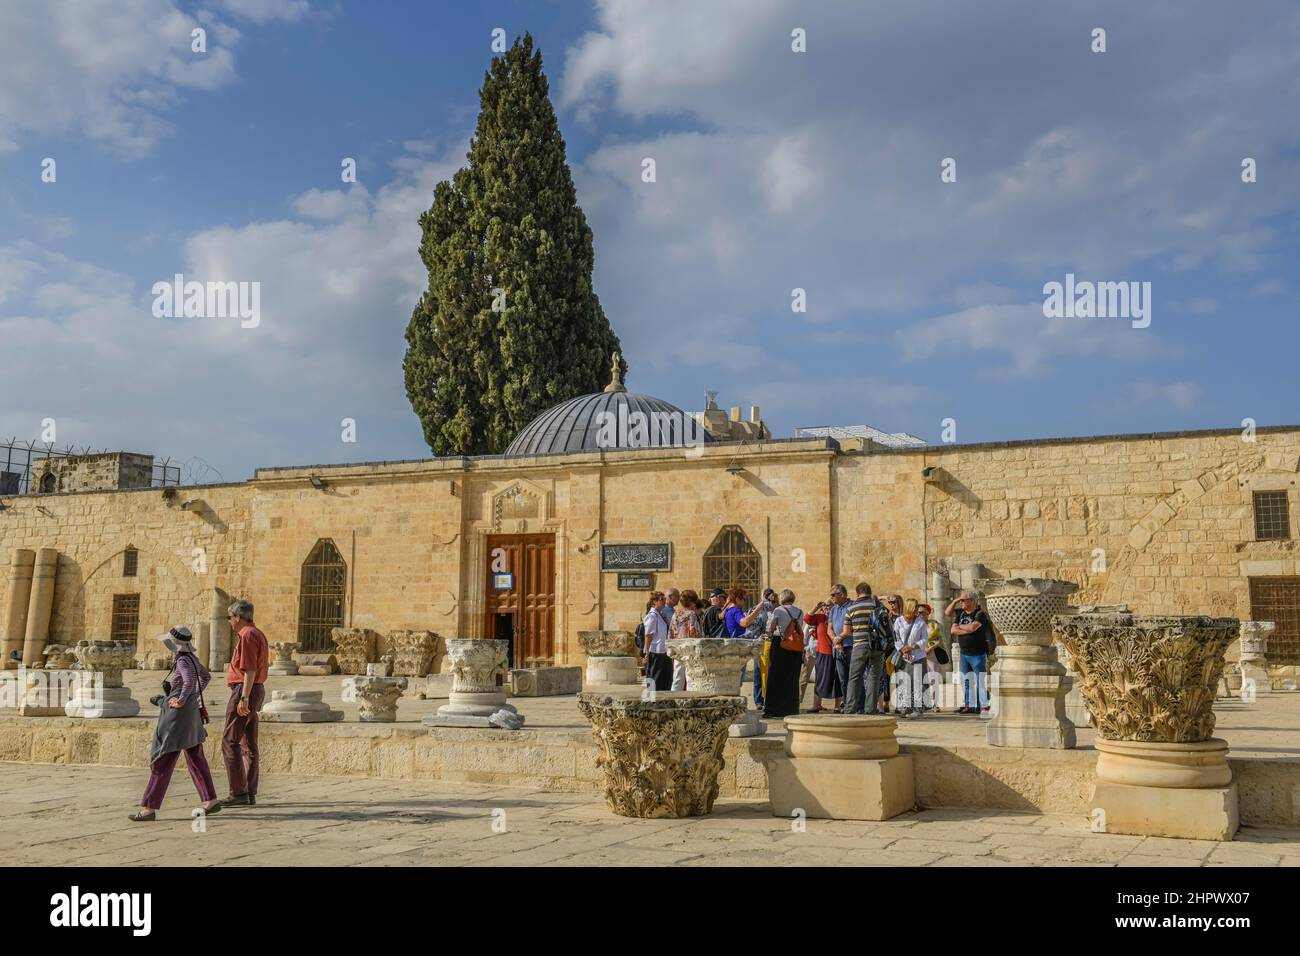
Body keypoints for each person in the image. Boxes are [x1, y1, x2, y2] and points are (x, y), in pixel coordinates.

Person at [129, 627, 221, 822]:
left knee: (164, 756)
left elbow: (188, 681)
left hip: (177, 717)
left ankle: (149, 807)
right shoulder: (193, 659)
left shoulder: (182, 660)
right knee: (195, 756)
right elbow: (206, 677)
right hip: (191, 714)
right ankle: (211, 800)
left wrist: (180, 699)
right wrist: (193, 696)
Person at [220, 599, 268, 807]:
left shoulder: (247, 635)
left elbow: (249, 670)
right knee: (248, 743)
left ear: (238, 617)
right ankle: (249, 791)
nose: (229, 622)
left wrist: (244, 698)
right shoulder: (257, 633)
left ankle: (238, 792)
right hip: (255, 689)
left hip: (245, 689)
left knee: (230, 741)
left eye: (230, 618)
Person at [843, 582, 892, 714]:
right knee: (874, 677)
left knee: (854, 677)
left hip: (859, 646)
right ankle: (870, 709)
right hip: (877, 646)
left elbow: (847, 631)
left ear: (857, 593)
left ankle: (850, 708)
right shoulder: (878, 605)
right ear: (869, 592)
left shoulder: (851, 609)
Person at [947, 590, 993, 714]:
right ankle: (969, 705)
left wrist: (961, 628)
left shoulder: (980, 614)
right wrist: (955, 601)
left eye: (963, 600)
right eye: (960, 600)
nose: (961, 602)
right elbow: (952, 627)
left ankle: (983, 705)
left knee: (980, 680)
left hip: (977, 653)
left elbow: (973, 627)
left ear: (972, 601)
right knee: (966, 680)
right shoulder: (961, 613)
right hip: (964, 653)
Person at [762, 589, 804, 720]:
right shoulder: (800, 612)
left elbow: (771, 628)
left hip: (780, 645)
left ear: (781, 598)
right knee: (792, 678)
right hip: (795, 647)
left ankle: (773, 709)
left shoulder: (778, 611)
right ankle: (791, 708)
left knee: (775, 678)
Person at [738, 588, 776, 707]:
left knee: (760, 672)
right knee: (761, 672)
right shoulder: (760, 608)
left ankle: (761, 700)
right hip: (765, 643)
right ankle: (761, 700)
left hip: (762, 643)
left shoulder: (757, 608)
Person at [893, 598, 930, 717]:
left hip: (918, 656)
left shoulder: (920, 622)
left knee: (918, 683)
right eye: (915, 609)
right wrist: (903, 649)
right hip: (903, 656)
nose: (917, 612)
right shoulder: (898, 621)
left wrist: (912, 647)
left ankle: (918, 710)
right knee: (904, 682)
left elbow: (924, 639)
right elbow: (896, 638)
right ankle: (905, 708)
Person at [805, 600, 839, 712]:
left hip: (836, 651)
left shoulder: (837, 617)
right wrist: (816, 606)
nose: (826, 608)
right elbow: (807, 618)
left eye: (829, 606)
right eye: (825, 606)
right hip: (822, 652)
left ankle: (837, 706)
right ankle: (816, 705)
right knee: (820, 679)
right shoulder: (819, 617)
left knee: (837, 679)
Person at [641, 591, 673, 691]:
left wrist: (665, 618)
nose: (664, 601)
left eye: (664, 599)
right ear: (654, 602)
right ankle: (651, 701)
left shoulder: (660, 615)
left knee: (666, 680)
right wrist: (646, 653)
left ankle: (663, 703)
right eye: (661, 599)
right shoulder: (652, 616)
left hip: (663, 651)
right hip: (655, 652)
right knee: (654, 680)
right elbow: (648, 635)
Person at [826, 584, 851, 711]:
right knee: (843, 678)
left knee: (853, 677)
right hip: (837, 647)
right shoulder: (833, 609)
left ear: (842, 594)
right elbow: (829, 629)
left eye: (833, 595)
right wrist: (836, 642)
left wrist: (839, 639)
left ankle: (854, 703)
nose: (831, 597)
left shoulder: (851, 607)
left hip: (850, 646)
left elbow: (852, 628)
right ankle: (846, 703)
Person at [919, 603, 944, 713]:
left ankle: (935, 703)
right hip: (919, 654)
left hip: (932, 654)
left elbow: (939, 639)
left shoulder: (934, 625)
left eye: (922, 612)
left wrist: (930, 648)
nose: (919, 614)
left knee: (934, 679)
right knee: (921, 678)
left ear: (928, 613)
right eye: (918, 612)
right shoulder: (915, 624)